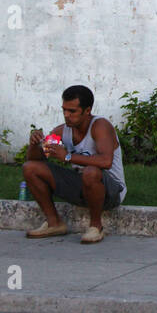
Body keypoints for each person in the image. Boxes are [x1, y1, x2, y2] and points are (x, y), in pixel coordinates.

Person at [22, 84, 127, 244]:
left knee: (91, 171)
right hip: (83, 185)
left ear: (87, 110)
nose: (66, 115)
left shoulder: (100, 126)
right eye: (64, 110)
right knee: (30, 168)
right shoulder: (61, 131)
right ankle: (54, 223)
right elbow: (35, 159)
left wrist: (68, 157)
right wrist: (34, 145)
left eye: (72, 111)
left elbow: (106, 161)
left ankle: (96, 227)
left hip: (111, 191)